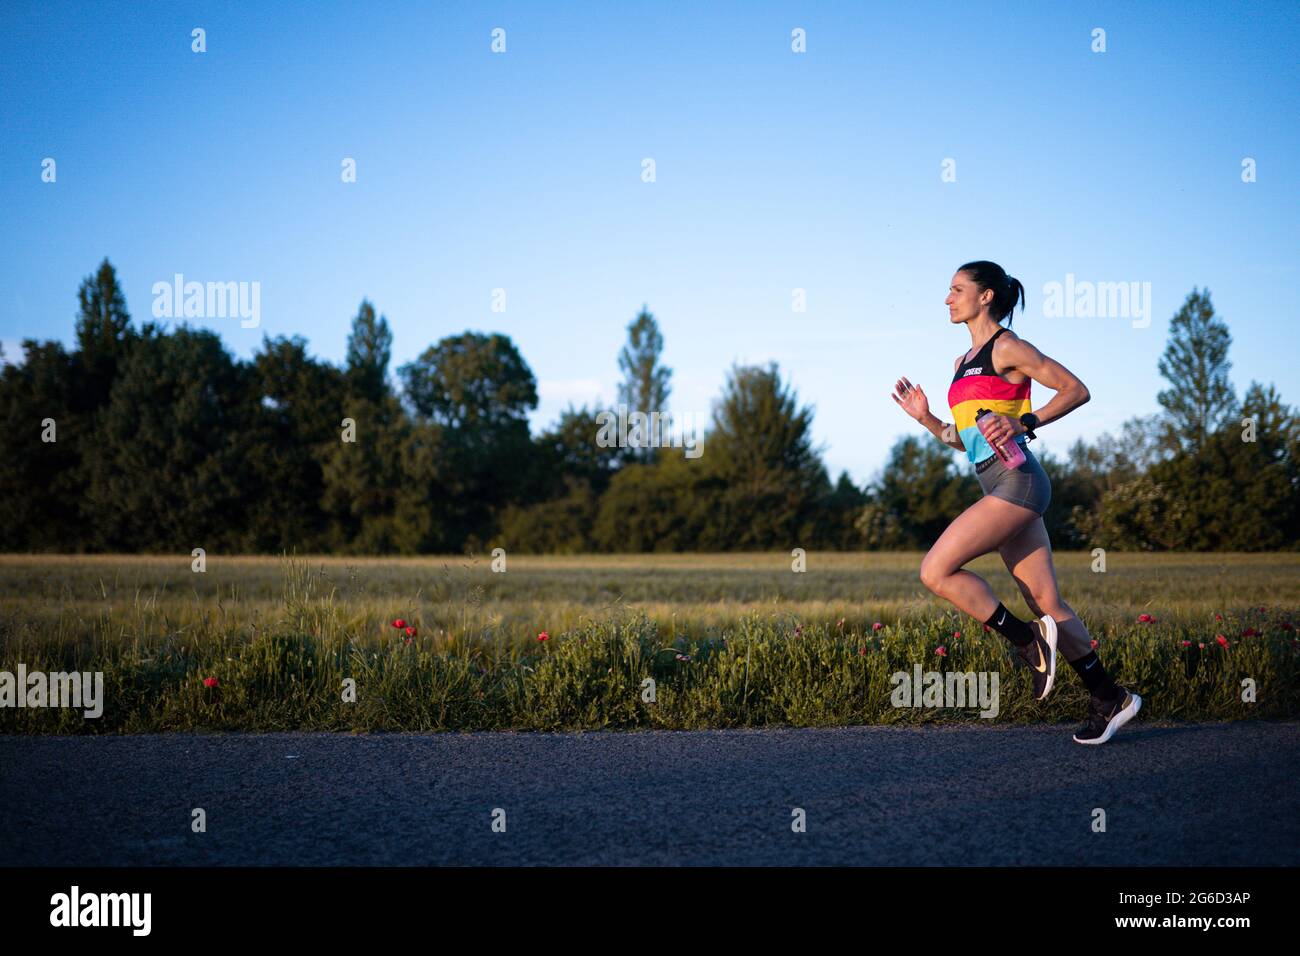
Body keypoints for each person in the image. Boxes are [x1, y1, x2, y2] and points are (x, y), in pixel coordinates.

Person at [890, 260, 1140, 744]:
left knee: (935, 571)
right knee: (1045, 600)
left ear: (985, 296)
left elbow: (1076, 390)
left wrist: (1027, 422)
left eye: (957, 289)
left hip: (1018, 481)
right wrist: (925, 419)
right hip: (994, 480)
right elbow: (965, 440)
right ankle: (1110, 696)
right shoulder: (962, 365)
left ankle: (1027, 643)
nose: (947, 298)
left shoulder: (1008, 347)